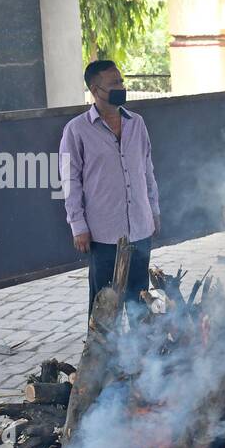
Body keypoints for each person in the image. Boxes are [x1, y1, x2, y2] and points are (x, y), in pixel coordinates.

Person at [61, 59, 160, 312]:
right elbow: (69, 181)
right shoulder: (76, 130)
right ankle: (103, 353)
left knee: (140, 303)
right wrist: (78, 226)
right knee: (105, 308)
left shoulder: (137, 123)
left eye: (121, 81)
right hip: (102, 234)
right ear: (95, 90)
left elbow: (147, 169)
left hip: (140, 228)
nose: (121, 86)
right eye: (114, 83)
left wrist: (153, 210)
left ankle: (141, 351)